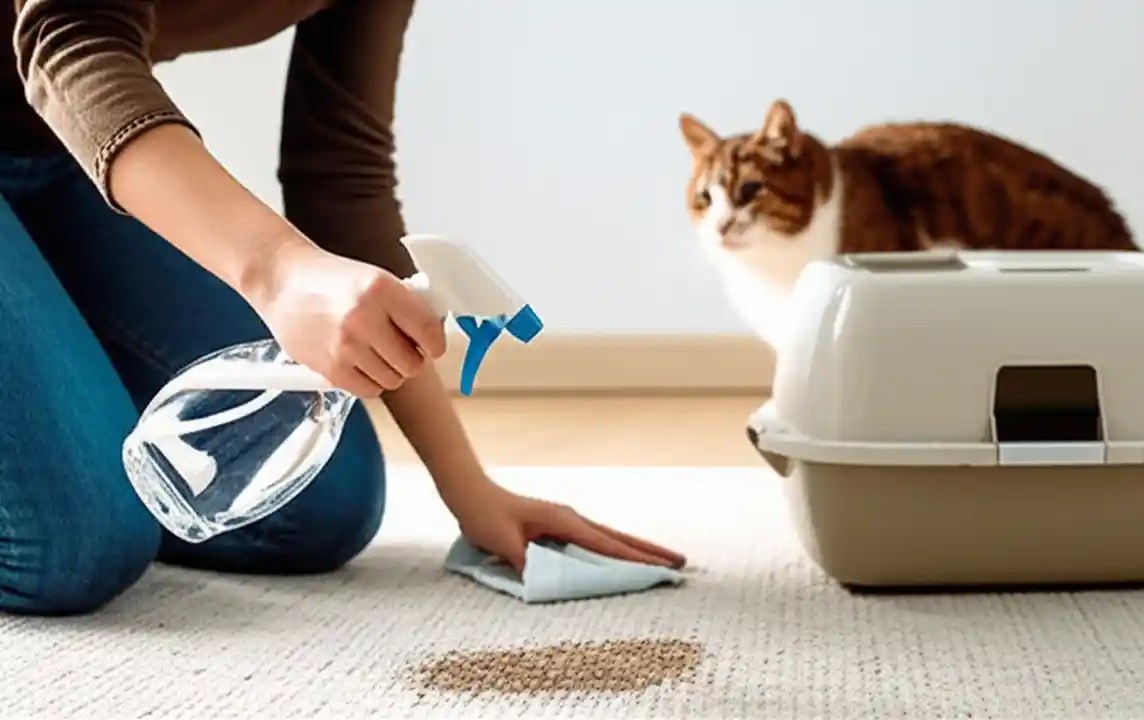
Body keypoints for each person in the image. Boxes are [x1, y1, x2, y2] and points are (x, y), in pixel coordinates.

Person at [0, 0, 683, 616]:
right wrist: (280, 273)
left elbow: (340, 174)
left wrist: (470, 490)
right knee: (69, 548)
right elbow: (70, 35)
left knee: (319, 509)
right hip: (63, 101)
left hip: (58, 155)